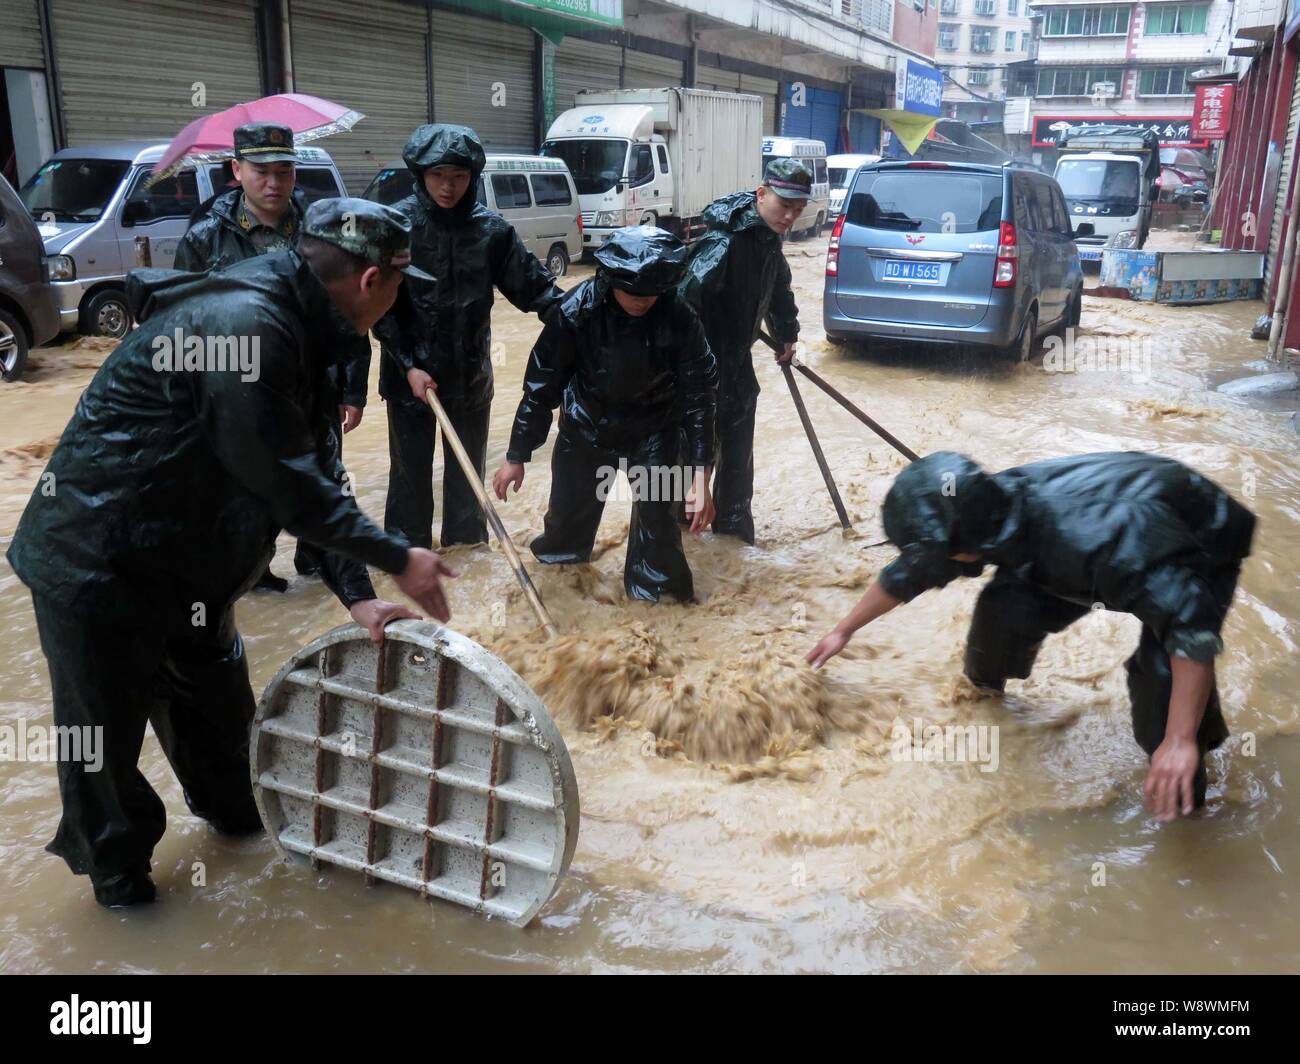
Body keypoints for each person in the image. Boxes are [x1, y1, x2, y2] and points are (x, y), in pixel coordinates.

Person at [6, 198, 457, 909]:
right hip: (97, 563)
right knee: (103, 758)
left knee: (228, 746)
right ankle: (123, 904)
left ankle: (239, 843)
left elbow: (313, 473)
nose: (398, 301)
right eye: (400, 286)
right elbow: (279, 478)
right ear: (373, 280)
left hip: (190, 572)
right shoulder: (246, 327)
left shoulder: (307, 329)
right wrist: (399, 554)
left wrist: (357, 588)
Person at [806, 451, 1256, 822]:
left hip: (1199, 545)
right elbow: (916, 568)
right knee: (1003, 612)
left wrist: (1177, 742)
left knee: (1159, 680)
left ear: (963, 548)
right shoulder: (986, 510)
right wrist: (842, 631)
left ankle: (1190, 802)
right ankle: (987, 692)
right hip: (1083, 549)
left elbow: (1191, 630)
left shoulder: (1099, 540)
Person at [175, 122, 371, 590]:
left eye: (285, 171)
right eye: (261, 171)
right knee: (243, 480)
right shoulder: (205, 236)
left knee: (322, 474)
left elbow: (351, 310)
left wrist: (353, 388)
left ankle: (319, 557)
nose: (274, 183)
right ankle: (255, 568)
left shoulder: (323, 228)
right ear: (236, 170)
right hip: (238, 380)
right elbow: (183, 318)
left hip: (312, 380)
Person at [492, 226, 717, 603]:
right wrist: (517, 455)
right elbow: (540, 386)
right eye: (633, 292)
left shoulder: (679, 317)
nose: (642, 301)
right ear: (611, 279)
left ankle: (659, 600)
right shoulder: (577, 311)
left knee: (659, 522)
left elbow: (700, 396)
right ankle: (562, 588)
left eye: (651, 294)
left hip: (655, 428)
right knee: (566, 525)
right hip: (587, 425)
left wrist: (700, 474)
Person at [375, 123, 561, 551]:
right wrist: (407, 366)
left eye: (458, 177)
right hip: (410, 384)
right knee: (409, 480)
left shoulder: (491, 231)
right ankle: (408, 562)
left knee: (467, 485)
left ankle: (468, 565)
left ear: (472, 178)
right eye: (439, 175)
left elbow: (536, 290)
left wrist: (587, 317)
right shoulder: (396, 226)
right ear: (420, 173)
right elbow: (378, 309)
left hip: (469, 380)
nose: (448, 186)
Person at [675, 157, 807, 544]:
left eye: (797, 211)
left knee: (737, 455)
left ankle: (732, 533)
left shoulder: (768, 239)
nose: (789, 217)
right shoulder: (724, 243)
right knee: (690, 455)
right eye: (784, 207)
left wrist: (786, 333)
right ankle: (678, 529)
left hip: (737, 366)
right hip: (701, 369)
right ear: (761, 195)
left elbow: (779, 287)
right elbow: (684, 304)